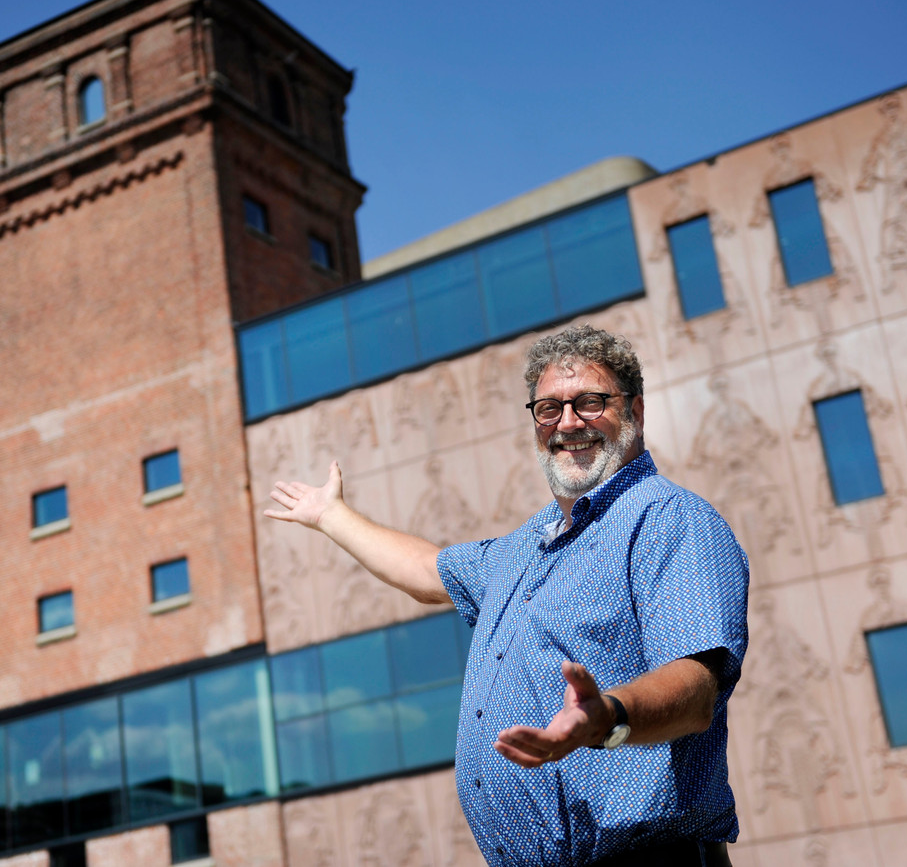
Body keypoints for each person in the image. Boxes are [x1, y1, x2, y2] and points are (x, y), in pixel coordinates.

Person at [266, 325, 749, 867]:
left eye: (590, 402)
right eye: (549, 409)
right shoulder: (522, 551)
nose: (568, 422)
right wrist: (330, 515)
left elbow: (696, 687)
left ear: (634, 410)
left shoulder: (670, 520)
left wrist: (606, 717)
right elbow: (426, 571)